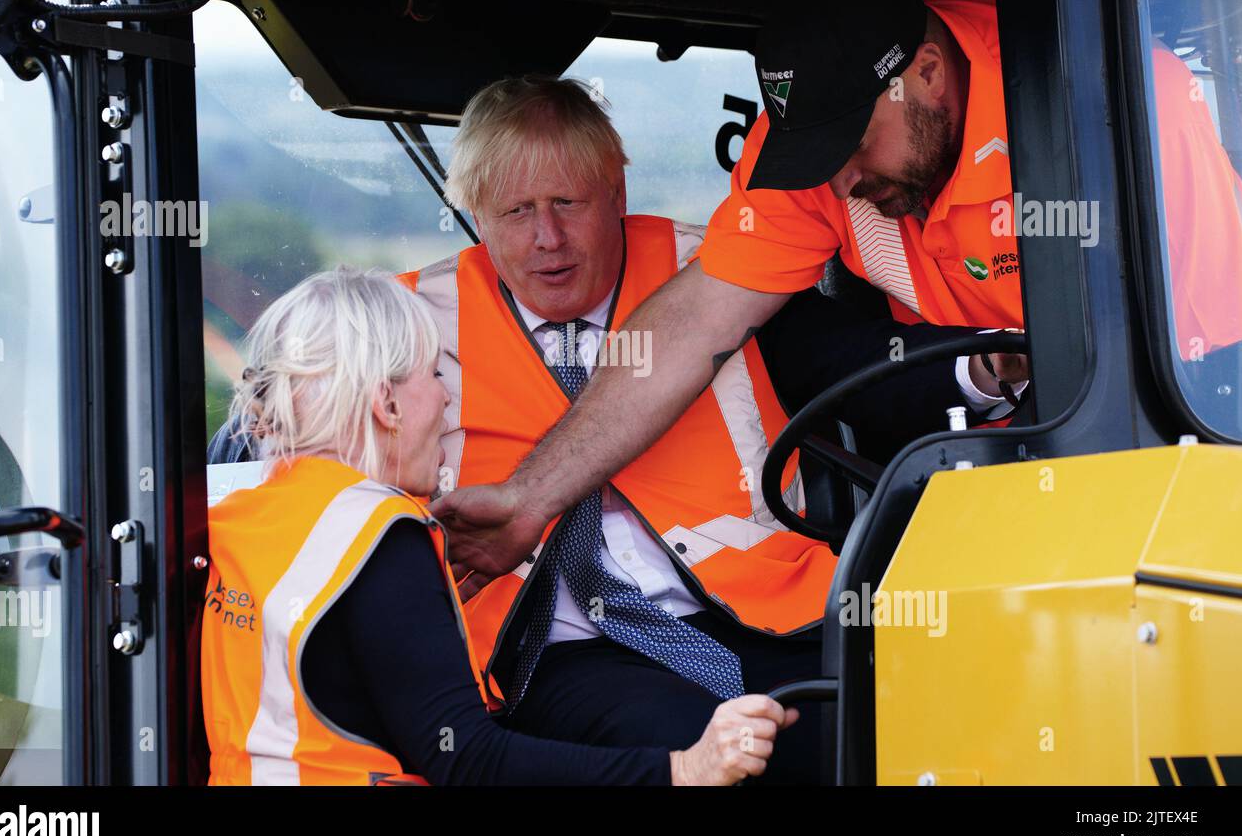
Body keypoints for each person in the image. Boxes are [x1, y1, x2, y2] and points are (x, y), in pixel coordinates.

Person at [431, 0, 1031, 612]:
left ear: (928, 74)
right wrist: (529, 500)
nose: (842, 183)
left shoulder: (1097, 80)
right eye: (516, 211)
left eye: (853, 147)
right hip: (997, 462)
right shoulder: (810, 147)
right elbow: (695, 325)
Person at [201, 267, 796, 785]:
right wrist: (683, 771)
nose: (445, 401)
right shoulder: (378, 533)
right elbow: (468, 762)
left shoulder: (237, 518)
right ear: (387, 404)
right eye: (434, 375)